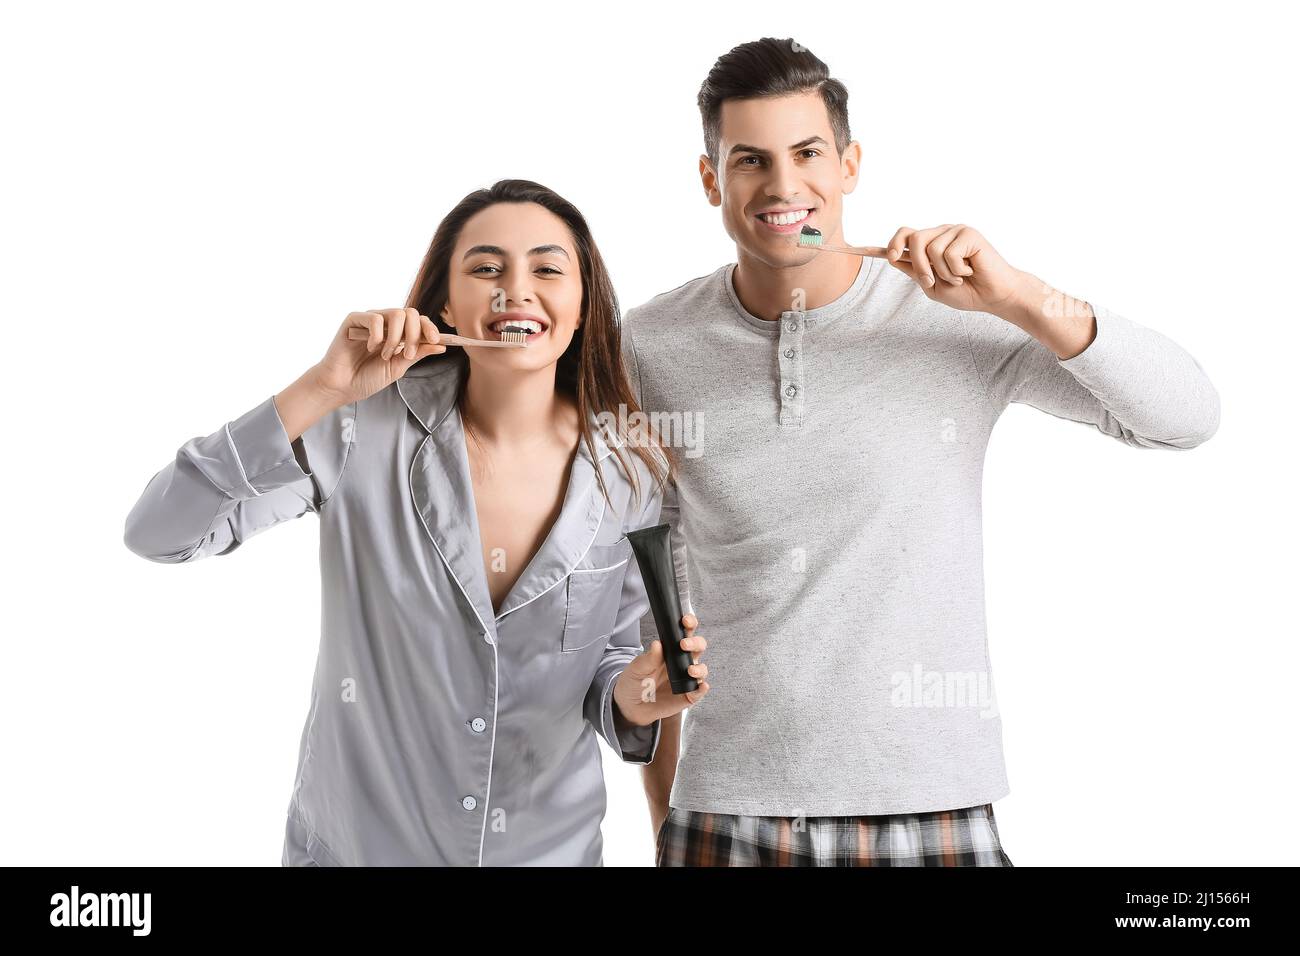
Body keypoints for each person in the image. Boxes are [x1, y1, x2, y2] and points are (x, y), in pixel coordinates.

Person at [625, 38, 1221, 866]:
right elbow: (649, 588)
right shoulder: (653, 342)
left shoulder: (957, 314)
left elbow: (1184, 416)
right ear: (710, 179)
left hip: (933, 810)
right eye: (750, 160)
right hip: (727, 815)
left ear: (850, 164)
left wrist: (1017, 295)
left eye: (807, 154)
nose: (783, 186)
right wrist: (665, 816)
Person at [124, 178, 710, 866]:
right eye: (486, 268)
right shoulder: (357, 429)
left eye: (548, 269)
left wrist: (642, 695)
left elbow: (612, 668)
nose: (515, 289)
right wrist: (320, 388)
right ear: (444, 302)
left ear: (582, 308)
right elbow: (160, 532)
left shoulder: (631, 472)